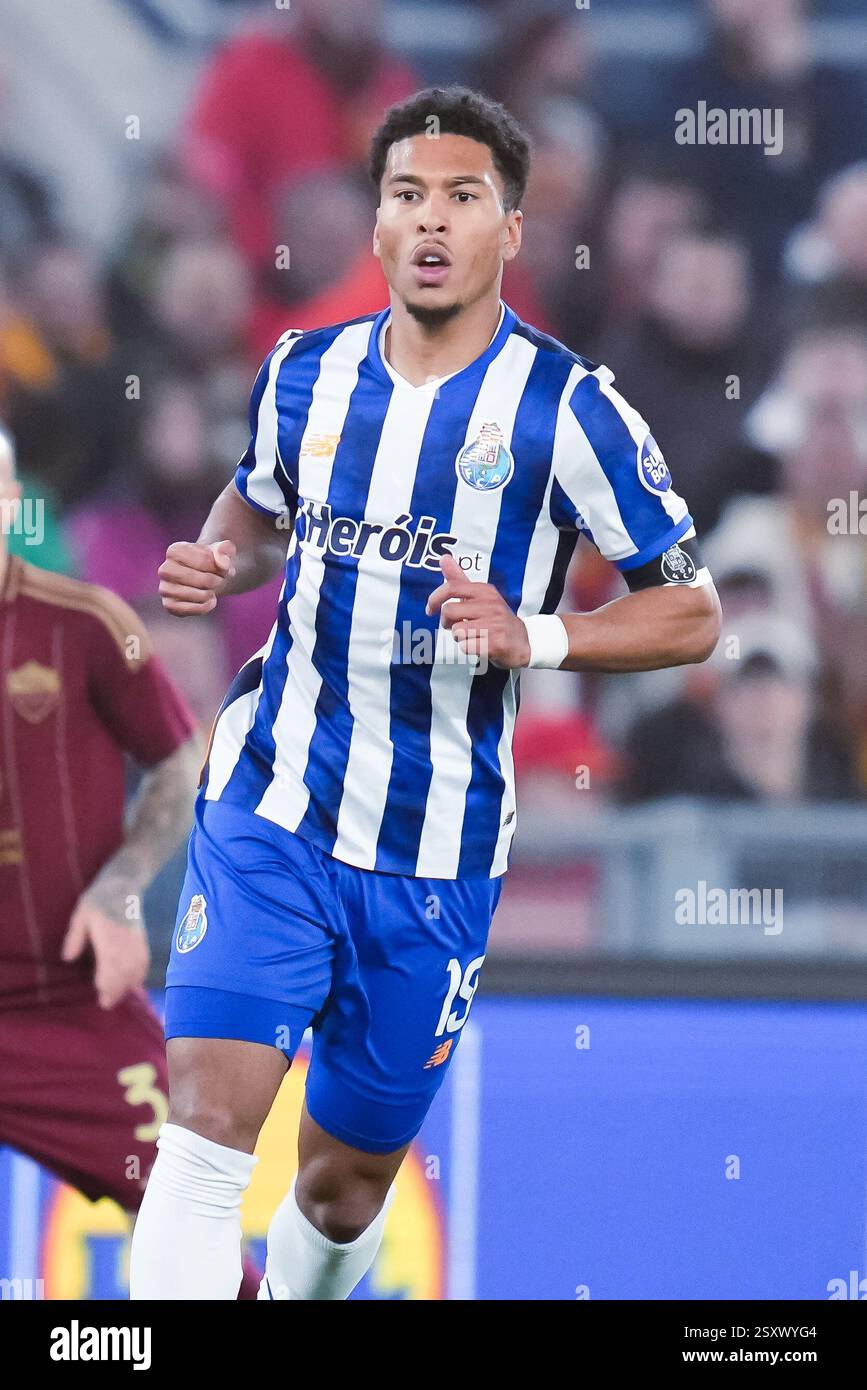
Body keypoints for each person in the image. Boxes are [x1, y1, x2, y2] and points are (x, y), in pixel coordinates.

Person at [131, 87, 721, 1302]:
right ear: (378, 224)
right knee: (202, 1122)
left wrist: (539, 634)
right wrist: (218, 554)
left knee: (343, 1184)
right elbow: (258, 501)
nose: (432, 220)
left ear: (513, 229)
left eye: (463, 197)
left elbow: (693, 609)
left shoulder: (571, 409)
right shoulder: (304, 370)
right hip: (272, 803)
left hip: (435, 849)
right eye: (408, 195)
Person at [0, 428, 261, 1297]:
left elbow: (180, 766)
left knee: (205, 1247)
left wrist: (117, 890)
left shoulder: (85, 626)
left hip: (67, 1003)